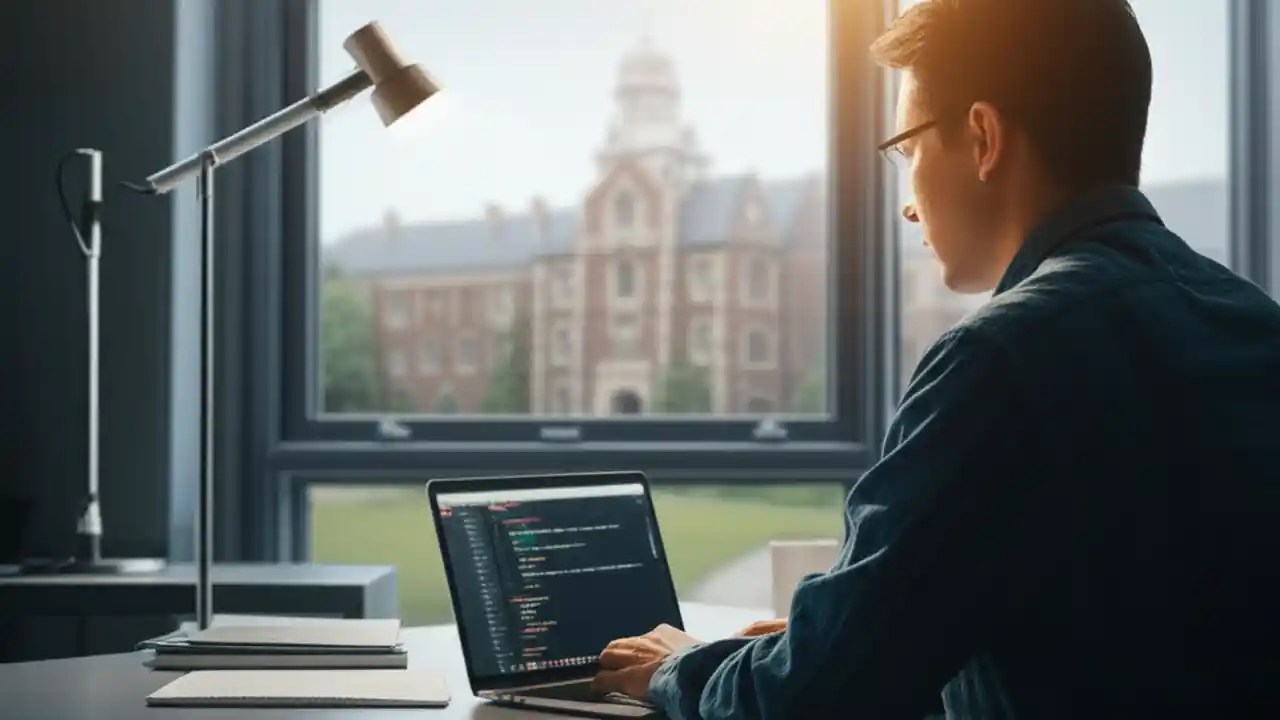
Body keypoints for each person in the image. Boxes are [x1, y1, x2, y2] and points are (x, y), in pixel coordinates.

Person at [593, 0, 1280, 717]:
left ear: (983, 137)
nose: (908, 205)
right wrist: (849, 636)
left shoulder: (1000, 360)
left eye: (908, 148)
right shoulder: (1257, 325)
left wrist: (685, 666)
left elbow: (815, 698)